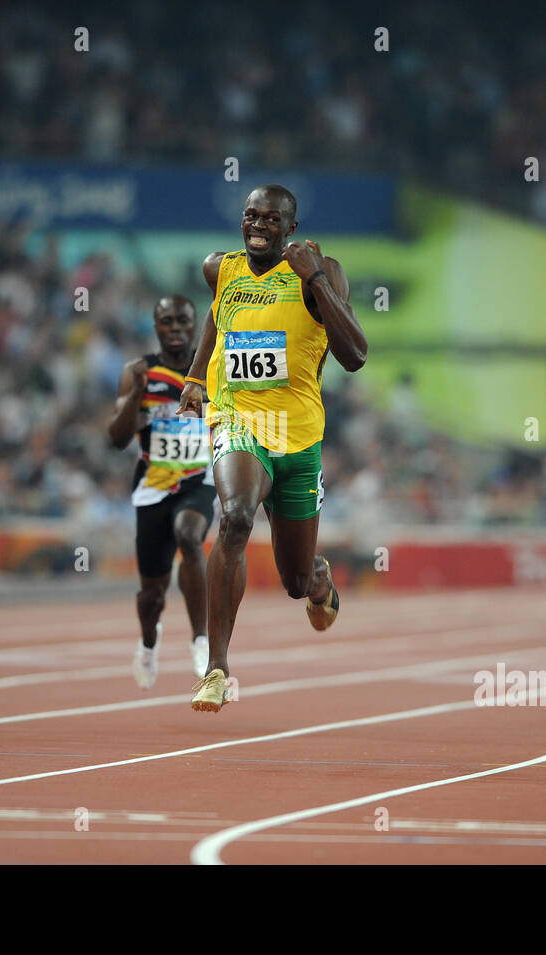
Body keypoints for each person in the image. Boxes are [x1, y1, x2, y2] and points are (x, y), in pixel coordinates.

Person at [176, 184, 368, 712]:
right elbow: (217, 319)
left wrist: (315, 280)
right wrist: (195, 377)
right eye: (250, 216)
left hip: (299, 436)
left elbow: (355, 354)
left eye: (271, 219)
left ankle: (318, 580)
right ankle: (217, 669)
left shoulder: (322, 270)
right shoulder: (221, 268)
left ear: (292, 228)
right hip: (237, 420)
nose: (257, 225)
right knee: (234, 518)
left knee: (294, 580)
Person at [108, 296, 217, 688]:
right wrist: (137, 393)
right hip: (153, 484)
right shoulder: (139, 372)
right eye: (166, 321)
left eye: (183, 321)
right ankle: (149, 643)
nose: (175, 328)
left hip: (197, 478)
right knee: (151, 594)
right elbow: (118, 438)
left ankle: (201, 640)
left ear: (195, 326)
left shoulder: (211, 370)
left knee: (189, 536)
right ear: (155, 326)